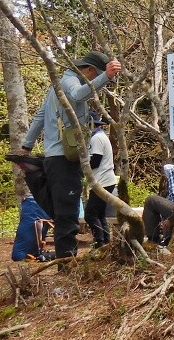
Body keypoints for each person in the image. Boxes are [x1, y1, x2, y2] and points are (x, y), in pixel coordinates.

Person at [17, 51, 121, 259]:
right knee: (67, 214)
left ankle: (66, 260)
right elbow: (79, 94)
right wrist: (106, 77)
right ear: (90, 70)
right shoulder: (69, 82)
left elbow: (39, 117)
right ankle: (67, 263)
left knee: (61, 211)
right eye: (95, 76)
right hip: (64, 158)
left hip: (54, 158)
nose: (94, 82)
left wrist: (27, 146)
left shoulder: (56, 86)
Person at [86, 114, 117, 248]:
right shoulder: (101, 136)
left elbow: (96, 161)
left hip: (102, 181)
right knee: (100, 213)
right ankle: (105, 242)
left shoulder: (97, 138)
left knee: (90, 214)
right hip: (105, 180)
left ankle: (100, 242)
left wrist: (83, 165)